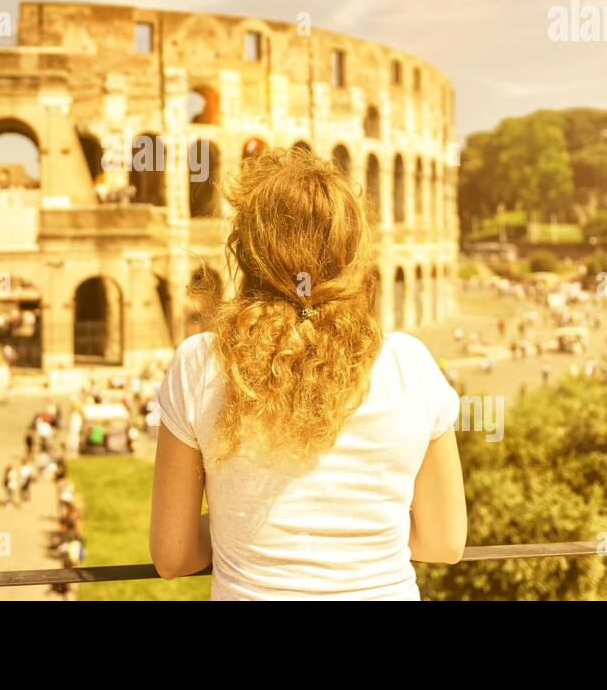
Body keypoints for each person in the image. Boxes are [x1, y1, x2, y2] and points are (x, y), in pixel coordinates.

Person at [148, 149, 466, 600]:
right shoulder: (409, 364)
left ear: (246, 251)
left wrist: (234, 523)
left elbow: (173, 555)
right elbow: (444, 542)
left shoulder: (199, 364)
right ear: (353, 253)